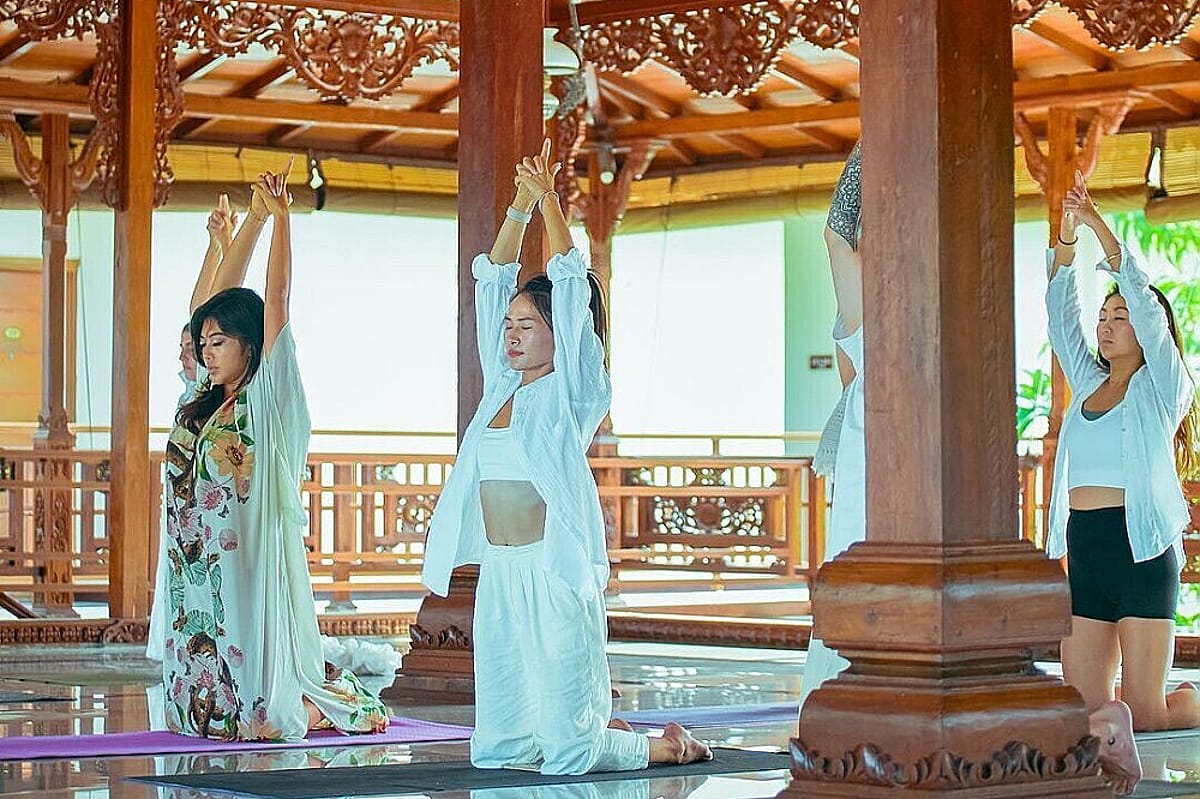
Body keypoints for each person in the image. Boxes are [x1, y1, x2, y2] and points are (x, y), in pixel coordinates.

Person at [421, 139, 711, 775]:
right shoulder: (501, 384)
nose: (513, 333)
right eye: (512, 325)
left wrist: (552, 202)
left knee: (568, 749)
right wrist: (518, 210)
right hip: (501, 571)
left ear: (561, 334)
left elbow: (573, 287)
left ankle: (663, 746)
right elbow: (491, 282)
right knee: (500, 746)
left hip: (553, 569)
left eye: (528, 325)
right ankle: (622, 734)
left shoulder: (573, 392)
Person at [158, 163, 387, 740]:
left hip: (253, 555)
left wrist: (279, 220)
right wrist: (240, 229)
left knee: (270, 717)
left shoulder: (268, 396)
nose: (207, 353)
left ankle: (314, 703)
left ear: (251, 345)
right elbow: (213, 300)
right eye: (202, 343)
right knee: (199, 706)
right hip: (198, 557)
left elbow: (275, 299)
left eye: (220, 342)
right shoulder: (202, 400)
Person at [1048, 171, 1198, 747]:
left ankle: (1190, 700)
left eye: (1120, 318)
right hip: (1087, 547)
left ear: (1146, 329)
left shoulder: (1164, 386)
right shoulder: (1086, 381)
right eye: (1103, 319)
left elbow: (1143, 299)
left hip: (1143, 552)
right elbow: (1062, 311)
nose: (1106, 327)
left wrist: (1099, 230)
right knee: (1080, 716)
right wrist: (1066, 239)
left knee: (1147, 714)